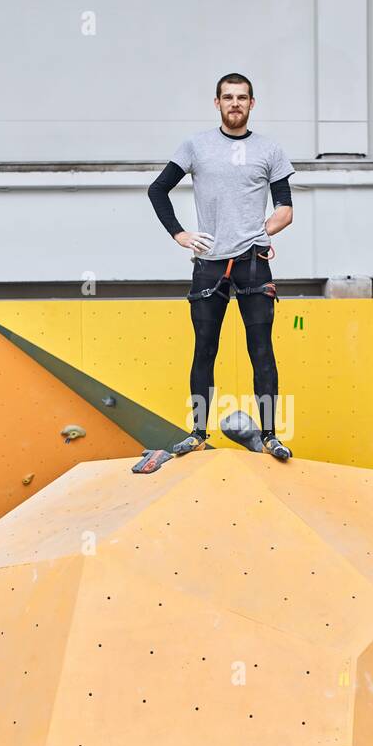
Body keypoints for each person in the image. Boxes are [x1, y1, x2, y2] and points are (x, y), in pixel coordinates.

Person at [147, 72, 295, 460]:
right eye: (227, 97)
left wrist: (265, 228)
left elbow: (286, 207)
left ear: (252, 103)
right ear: (217, 103)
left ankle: (270, 436)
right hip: (209, 266)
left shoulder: (270, 150)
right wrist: (179, 234)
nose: (234, 103)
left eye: (242, 97)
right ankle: (197, 431)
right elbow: (157, 189)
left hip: (254, 264)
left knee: (261, 351)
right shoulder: (196, 146)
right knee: (204, 351)